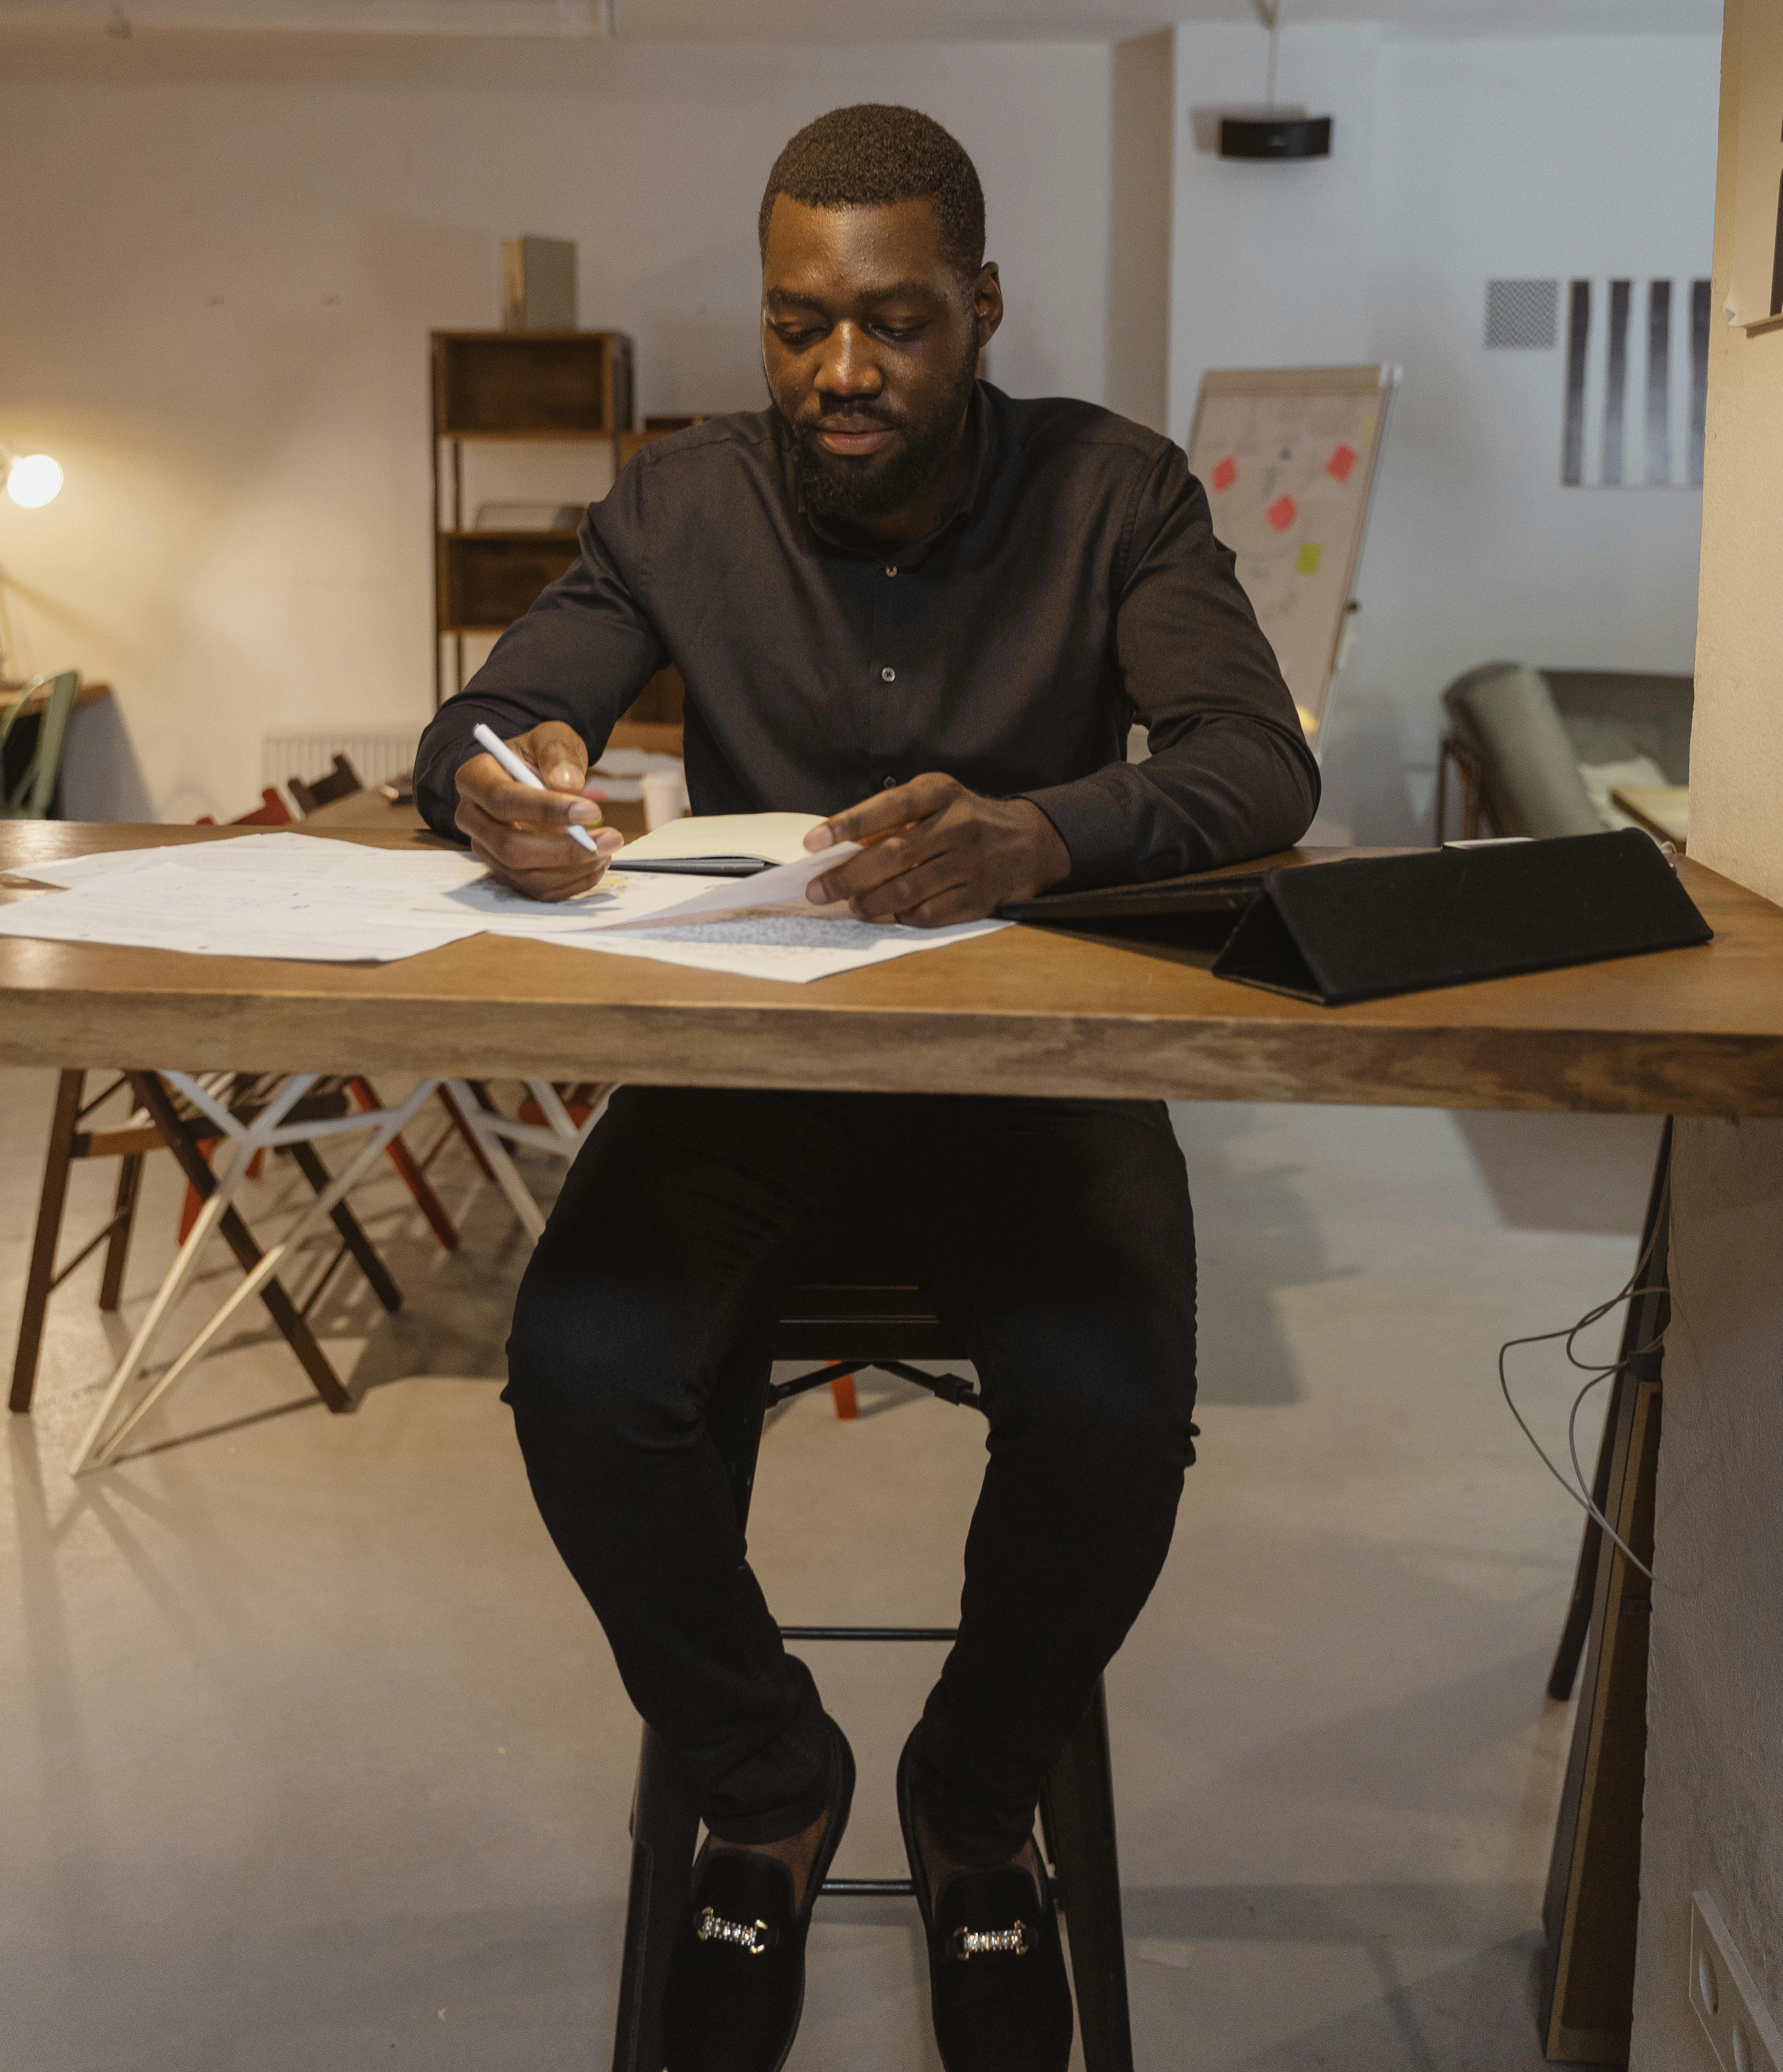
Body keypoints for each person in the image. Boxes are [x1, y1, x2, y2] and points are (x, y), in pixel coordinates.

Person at [415, 104, 1318, 2072]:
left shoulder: (1116, 491)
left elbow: (1257, 764)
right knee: (579, 1363)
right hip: (764, 1065)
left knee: (1109, 1405)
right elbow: (492, 711)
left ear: (980, 306)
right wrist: (510, 777)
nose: (843, 370)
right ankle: (768, 1779)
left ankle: (975, 1804)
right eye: (800, 322)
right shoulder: (680, 502)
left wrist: (1042, 835)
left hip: (1030, 1072)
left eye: (897, 323)